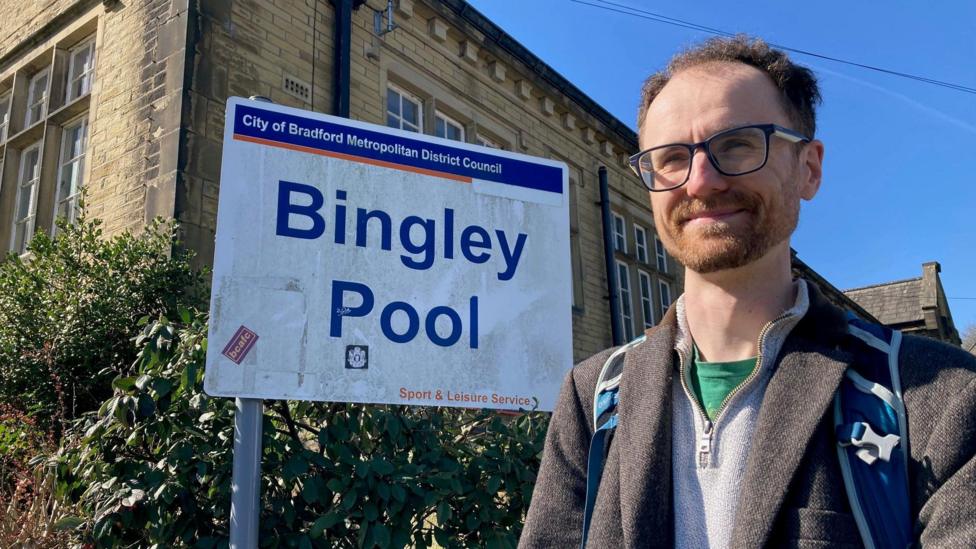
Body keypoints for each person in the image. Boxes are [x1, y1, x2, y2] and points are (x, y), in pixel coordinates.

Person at [519, 36, 976, 548]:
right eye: (671, 158)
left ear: (809, 168)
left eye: (737, 144)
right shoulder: (593, 398)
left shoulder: (939, 399)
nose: (700, 181)